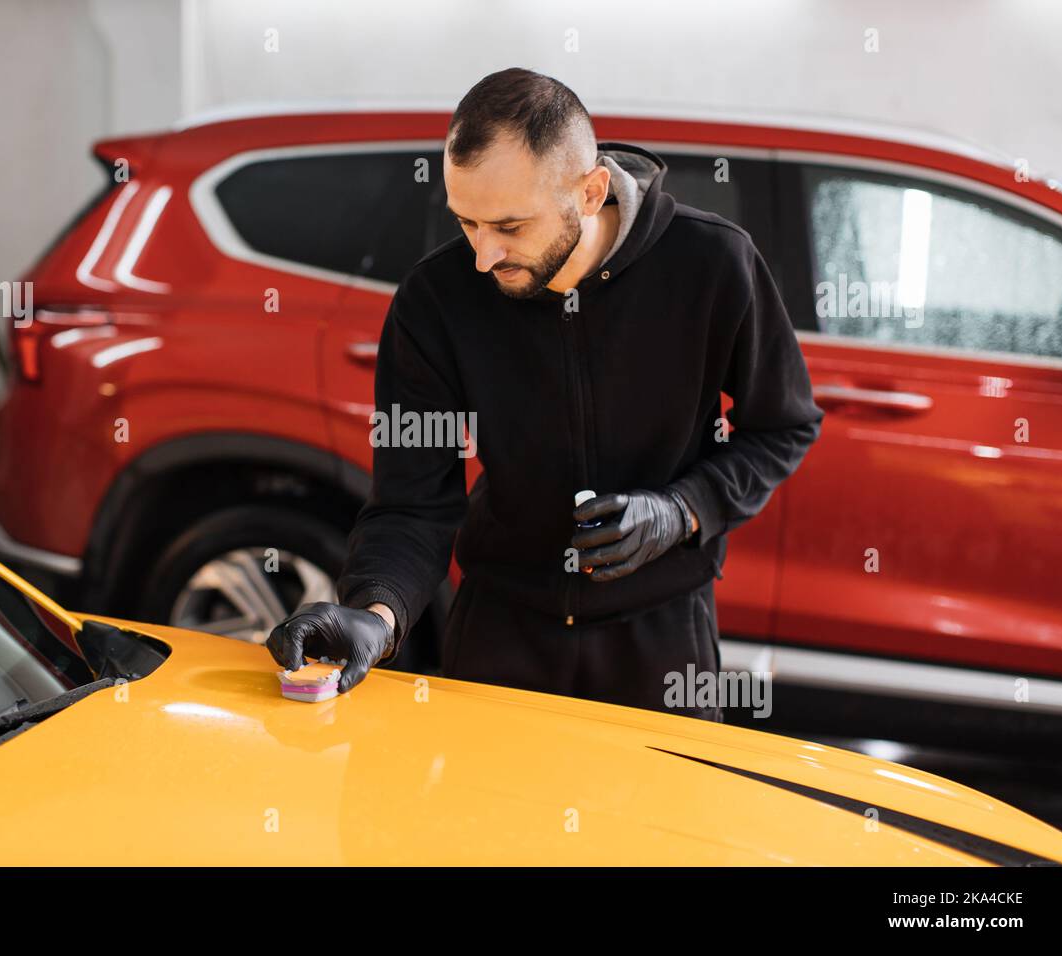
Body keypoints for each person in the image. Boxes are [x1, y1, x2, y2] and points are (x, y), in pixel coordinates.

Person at [266, 67, 823, 722]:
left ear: (590, 193)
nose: (482, 255)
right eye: (467, 223)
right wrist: (376, 615)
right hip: (502, 637)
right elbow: (413, 503)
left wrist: (684, 510)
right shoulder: (436, 303)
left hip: (661, 646)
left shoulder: (712, 265)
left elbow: (781, 426)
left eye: (509, 226)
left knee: (657, 828)